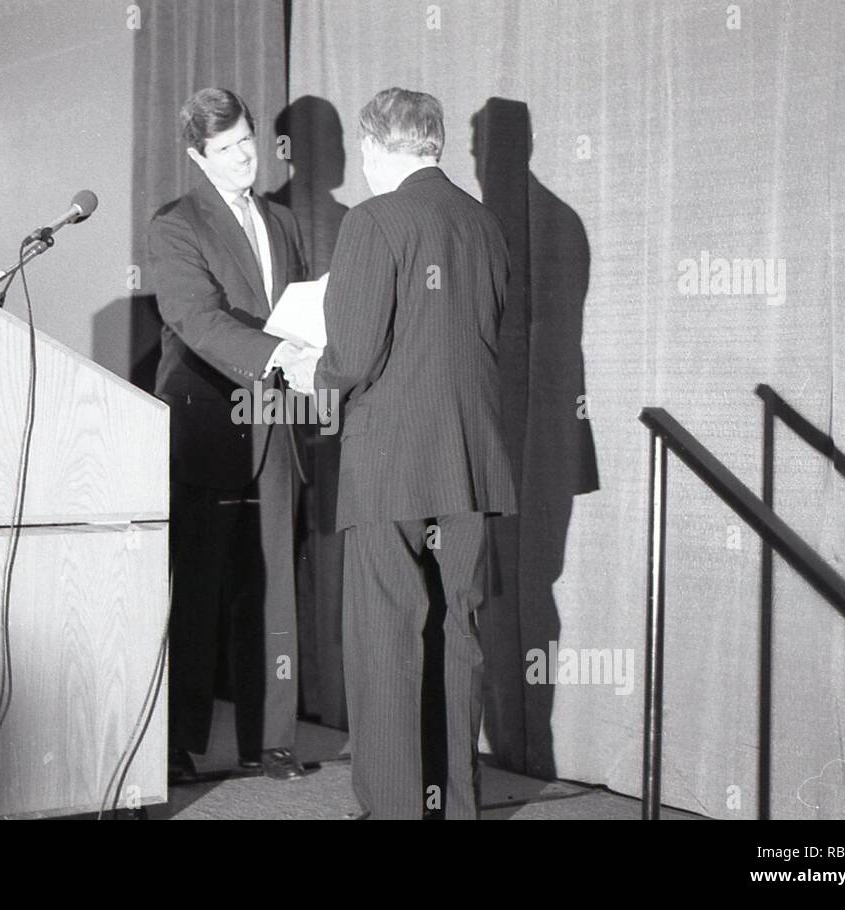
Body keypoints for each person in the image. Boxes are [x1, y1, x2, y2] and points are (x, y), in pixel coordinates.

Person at [306, 87, 518, 818]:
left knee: (387, 637)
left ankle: (398, 807)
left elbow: (354, 355)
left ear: (374, 147)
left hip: (391, 463)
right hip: (470, 463)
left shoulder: (373, 222)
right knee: (459, 633)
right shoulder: (484, 223)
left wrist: (311, 371)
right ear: (433, 143)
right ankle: (453, 804)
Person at [147, 87, 316, 782]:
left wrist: (313, 348)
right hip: (208, 426)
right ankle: (177, 744)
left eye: (247, 139)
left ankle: (270, 740)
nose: (243, 155)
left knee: (273, 590)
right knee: (195, 592)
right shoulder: (176, 224)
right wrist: (277, 353)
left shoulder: (281, 222)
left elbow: (301, 307)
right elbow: (194, 317)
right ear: (197, 156)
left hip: (277, 427)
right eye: (225, 149)